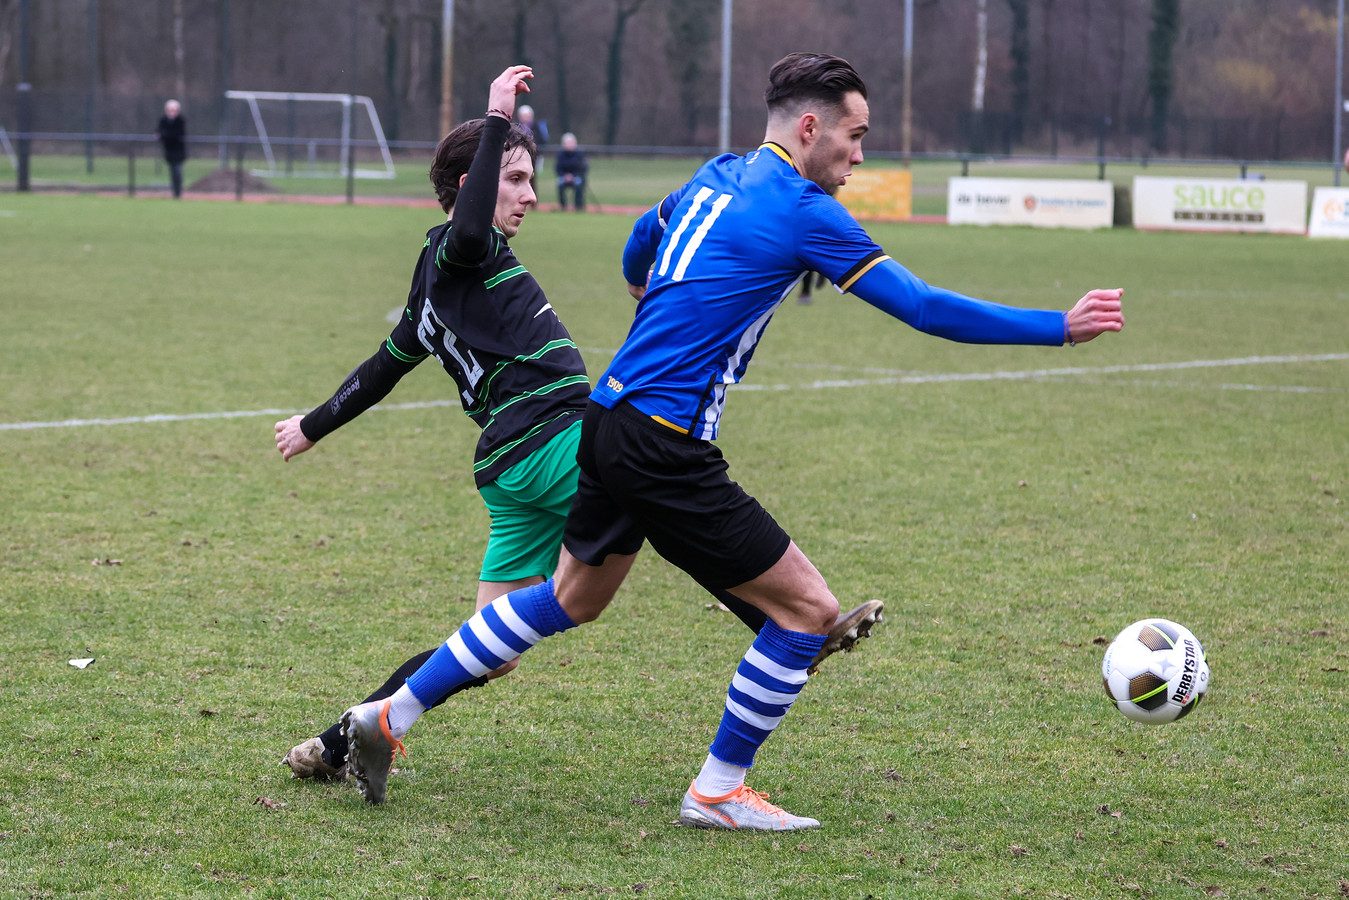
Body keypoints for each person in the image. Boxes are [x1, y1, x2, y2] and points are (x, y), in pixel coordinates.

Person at [339, 51, 1123, 830]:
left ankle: (389, 715)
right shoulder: (806, 212)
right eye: (853, 136)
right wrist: (1056, 327)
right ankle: (717, 790)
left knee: (570, 599)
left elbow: (639, 241)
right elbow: (920, 307)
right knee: (807, 612)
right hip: (664, 442)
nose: (859, 154)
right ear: (809, 128)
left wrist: (648, 294)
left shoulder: (716, 174)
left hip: (605, 421)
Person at [278, 65, 883, 784]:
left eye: (529, 180)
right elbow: (463, 233)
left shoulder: (429, 289)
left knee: (492, 650)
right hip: (553, 443)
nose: (529, 196)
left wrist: (311, 426)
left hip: (509, 471)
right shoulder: (458, 250)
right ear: (470, 186)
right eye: (511, 180)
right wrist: (497, 116)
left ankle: (339, 740)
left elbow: (383, 366)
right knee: (661, 494)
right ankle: (787, 623)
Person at [155, 100, 187, 199]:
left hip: (179, 151)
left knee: (177, 171)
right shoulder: (163, 120)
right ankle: (174, 192)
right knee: (173, 171)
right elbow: (159, 133)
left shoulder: (180, 121)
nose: (171, 112)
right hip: (169, 151)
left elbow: (177, 134)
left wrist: (166, 135)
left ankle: (178, 193)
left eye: (174, 110)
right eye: (169, 110)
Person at [554, 132, 589, 212]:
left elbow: (583, 168)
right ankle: (563, 206)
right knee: (560, 183)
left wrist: (573, 176)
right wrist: (564, 176)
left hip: (577, 177)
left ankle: (578, 206)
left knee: (578, 183)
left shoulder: (580, 154)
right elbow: (557, 168)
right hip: (564, 177)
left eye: (571, 143)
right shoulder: (560, 155)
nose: (569, 145)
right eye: (567, 143)